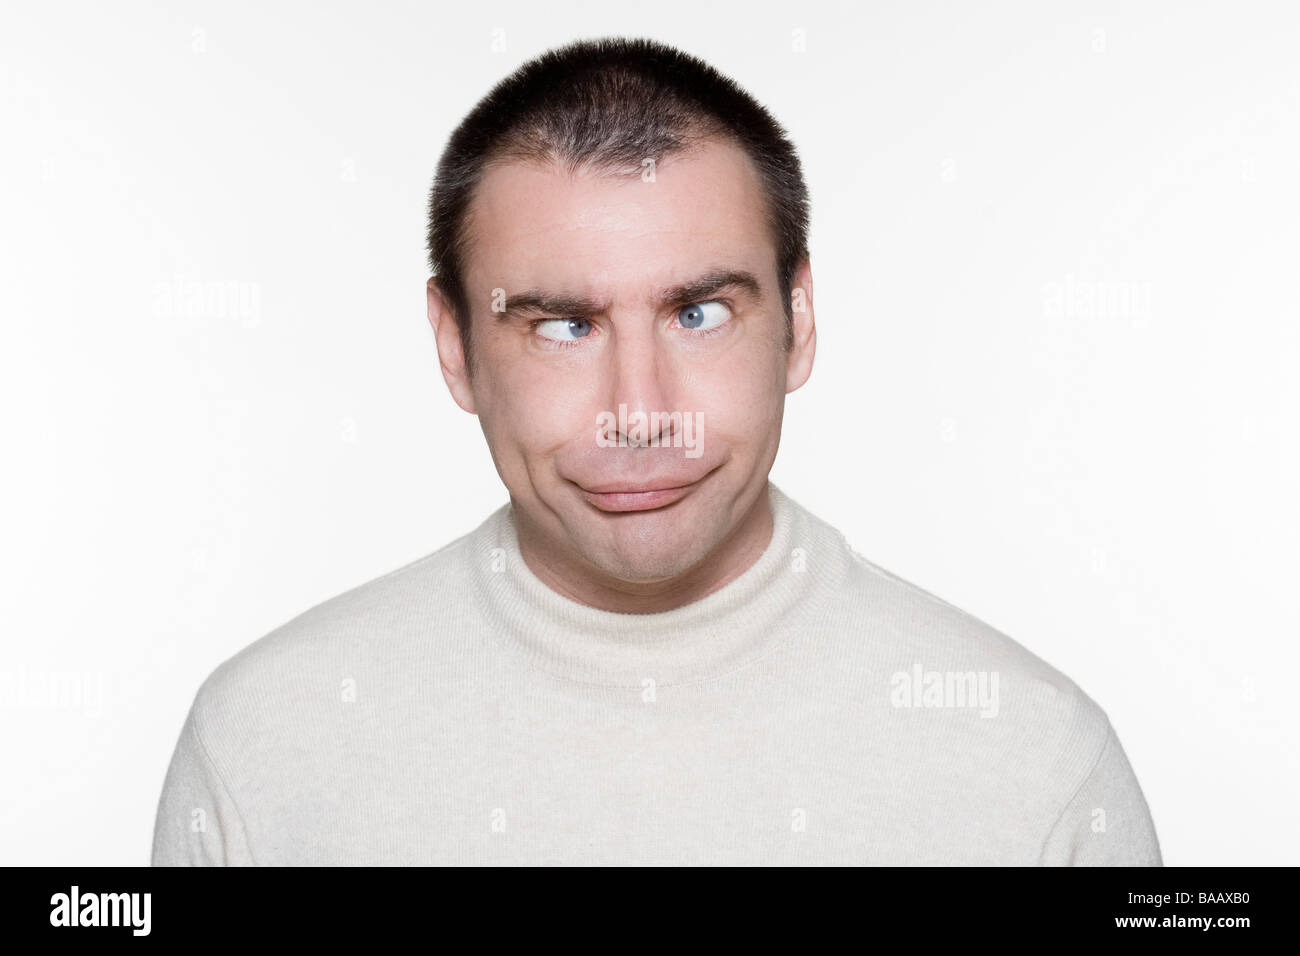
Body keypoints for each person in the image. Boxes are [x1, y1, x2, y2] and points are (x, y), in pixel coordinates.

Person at [151, 36, 1162, 865]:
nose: (639, 413)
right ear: (454, 346)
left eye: (699, 311)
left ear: (799, 320)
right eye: (560, 325)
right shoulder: (264, 739)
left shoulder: (1032, 756)